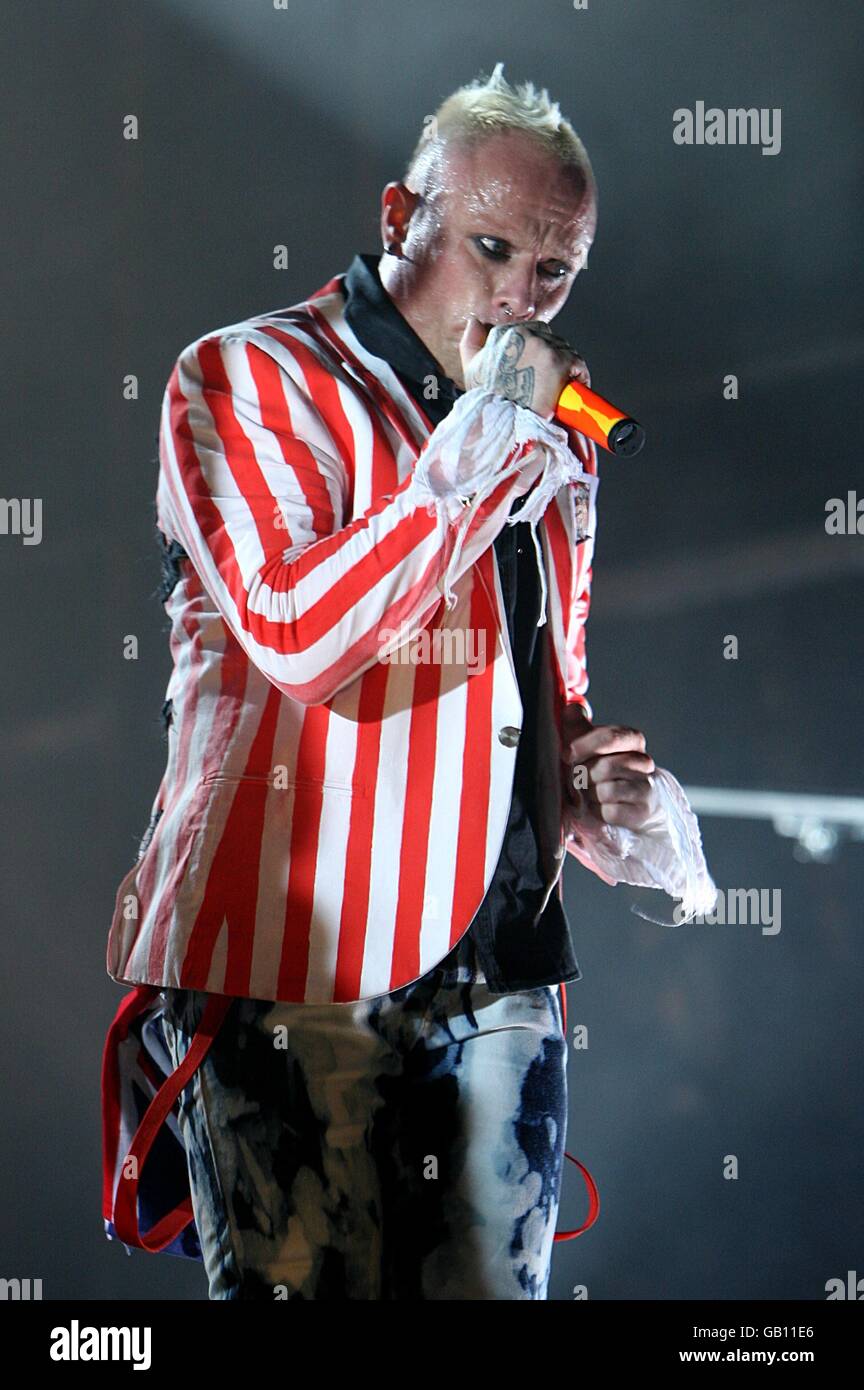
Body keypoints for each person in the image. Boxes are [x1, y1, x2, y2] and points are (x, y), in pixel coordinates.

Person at [102, 62, 716, 1300]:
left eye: (552, 273)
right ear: (401, 220)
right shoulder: (245, 376)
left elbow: (533, 695)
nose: (519, 295)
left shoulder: (545, 452)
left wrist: (598, 783)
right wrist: (489, 442)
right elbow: (302, 633)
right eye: (490, 247)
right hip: (297, 964)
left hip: (501, 963)